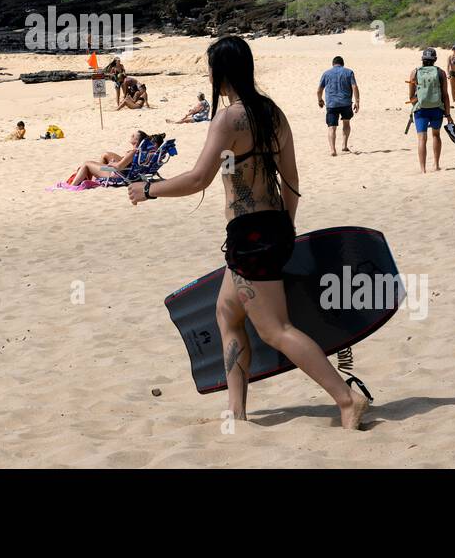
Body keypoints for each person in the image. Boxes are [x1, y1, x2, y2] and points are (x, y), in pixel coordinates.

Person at [128, 36, 370, 430]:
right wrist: (287, 228)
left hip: (250, 236)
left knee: (276, 330)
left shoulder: (228, 119)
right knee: (226, 313)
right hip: (273, 224)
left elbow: (198, 178)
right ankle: (236, 412)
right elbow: (291, 179)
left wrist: (149, 189)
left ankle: (346, 400)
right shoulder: (273, 114)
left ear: (220, 73)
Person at [407, 48, 453, 173]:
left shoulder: (414, 72)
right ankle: (436, 165)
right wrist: (448, 114)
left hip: (420, 110)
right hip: (437, 109)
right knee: (436, 135)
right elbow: (445, 95)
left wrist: (418, 104)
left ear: (422, 59)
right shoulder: (441, 73)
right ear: (435, 60)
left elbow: (411, 96)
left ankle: (423, 169)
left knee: (422, 138)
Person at [64, 130, 152, 185]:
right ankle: (94, 178)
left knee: (86, 164)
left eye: (133, 136)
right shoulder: (140, 152)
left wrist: (112, 163)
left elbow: (119, 167)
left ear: (137, 141)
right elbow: (125, 164)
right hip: (123, 172)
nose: (131, 136)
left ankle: (72, 186)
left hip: (116, 174)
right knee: (105, 155)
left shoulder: (133, 152)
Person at [317, 56, 359, 156]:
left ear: (333, 64)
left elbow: (319, 90)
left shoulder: (326, 73)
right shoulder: (349, 72)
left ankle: (333, 150)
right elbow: (354, 87)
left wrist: (320, 100)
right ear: (342, 63)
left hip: (332, 104)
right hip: (346, 103)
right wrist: (357, 101)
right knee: (346, 123)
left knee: (331, 127)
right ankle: (344, 145)